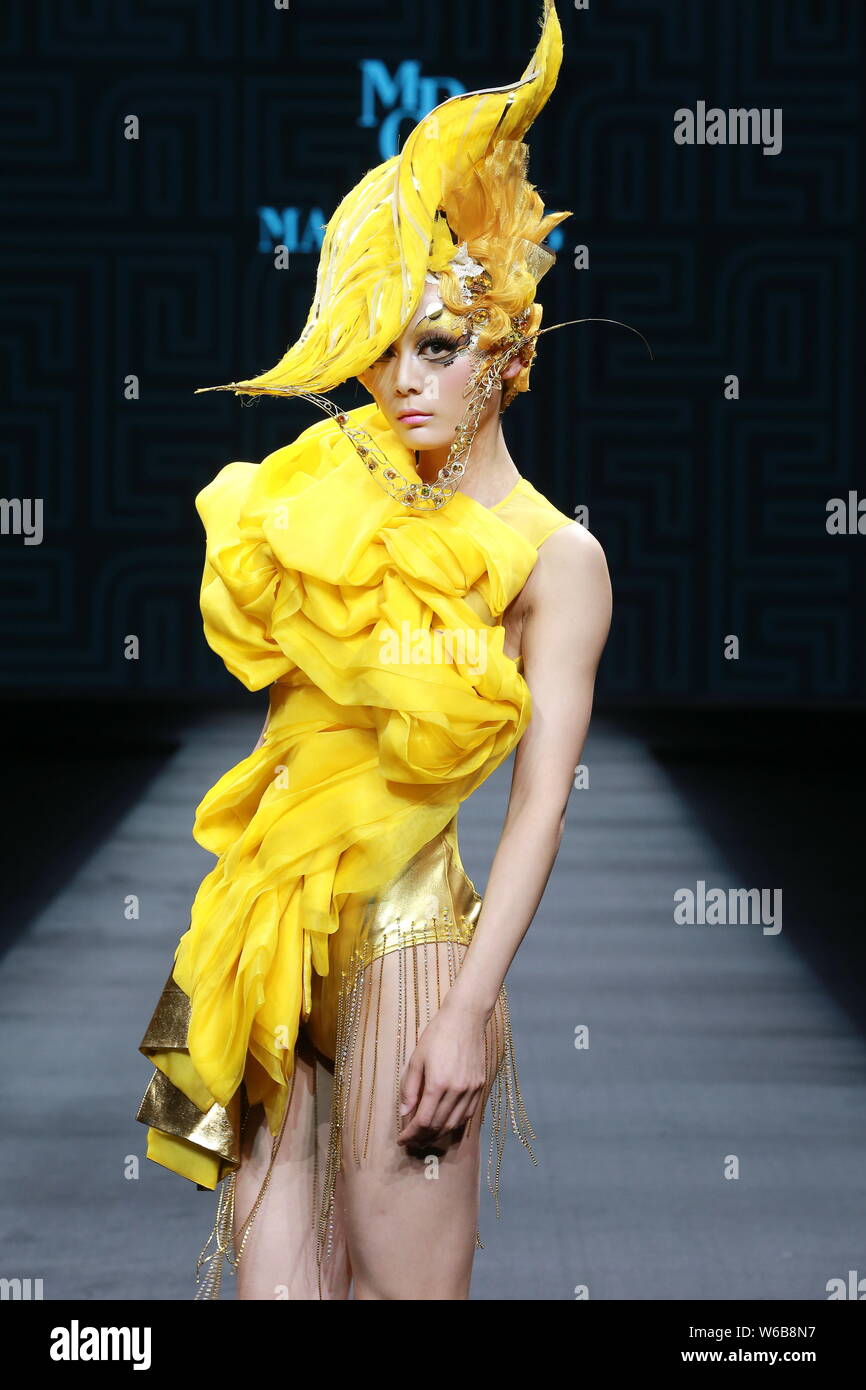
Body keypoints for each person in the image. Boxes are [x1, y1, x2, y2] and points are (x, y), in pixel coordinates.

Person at [135, 0, 613, 1301]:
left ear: (506, 348)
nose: (405, 381)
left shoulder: (554, 556)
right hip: (257, 928)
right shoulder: (330, 493)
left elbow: (537, 812)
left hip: (411, 946)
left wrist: (470, 1009)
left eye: (441, 347)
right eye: (382, 349)